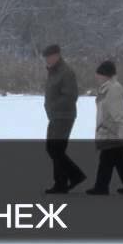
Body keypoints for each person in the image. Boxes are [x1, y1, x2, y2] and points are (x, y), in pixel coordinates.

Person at [87, 60, 123, 195]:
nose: (97, 77)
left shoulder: (113, 89)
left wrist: (122, 134)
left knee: (107, 159)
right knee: (119, 160)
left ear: (106, 75)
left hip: (112, 132)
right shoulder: (106, 89)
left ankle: (101, 187)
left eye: (99, 74)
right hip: (108, 131)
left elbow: (120, 114)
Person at [42, 44, 86, 194]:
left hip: (64, 116)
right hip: (55, 116)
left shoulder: (66, 72)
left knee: (54, 149)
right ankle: (61, 183)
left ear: (57, 55)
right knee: (55, 149)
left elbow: (71, 95)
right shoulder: (53, 72)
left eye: (49, 57)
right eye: (45, 58)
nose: (47, 60)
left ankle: (75, 176)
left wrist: (54, 106)